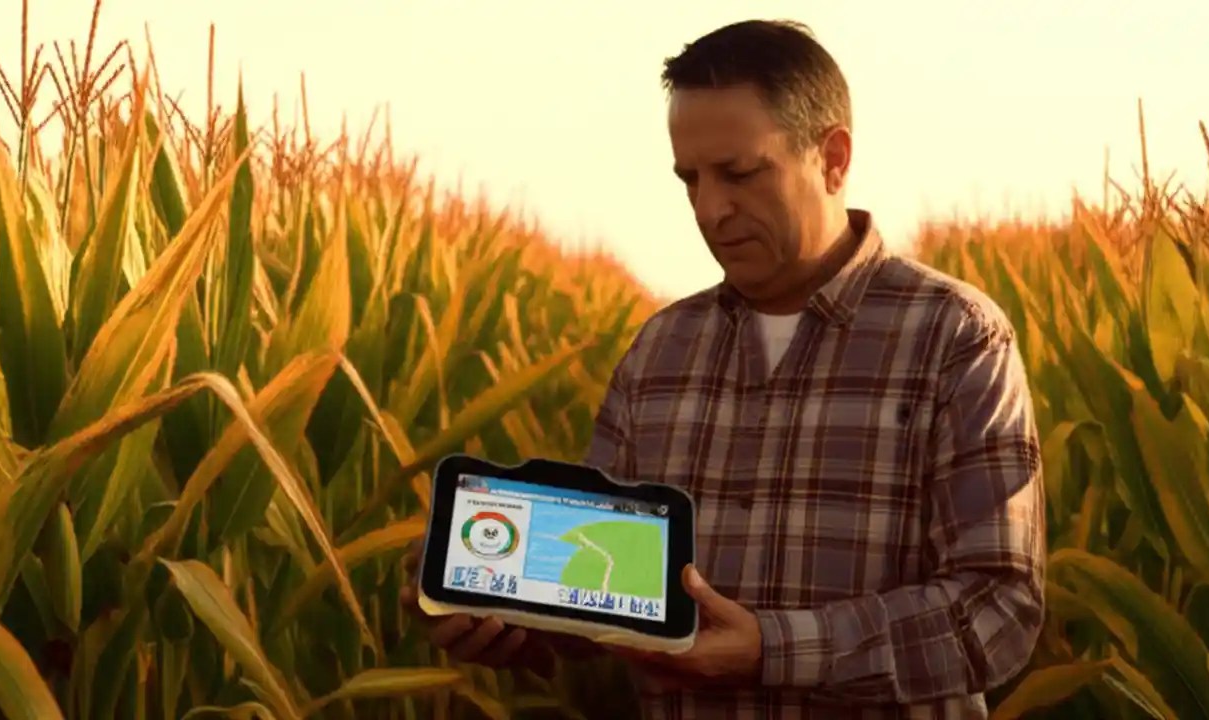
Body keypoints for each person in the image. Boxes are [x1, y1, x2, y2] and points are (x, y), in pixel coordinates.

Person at [400, 18, 1045, 719]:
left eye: (740, 173)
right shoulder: (657, 356)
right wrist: (499, 609)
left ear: (833, 157)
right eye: (690, 179)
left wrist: (771, 647)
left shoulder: (955, 339)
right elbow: (614, 600)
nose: (711, 209)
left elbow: (998, 610)